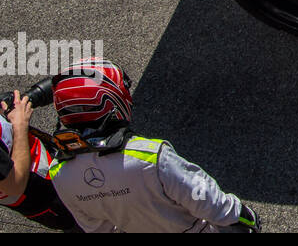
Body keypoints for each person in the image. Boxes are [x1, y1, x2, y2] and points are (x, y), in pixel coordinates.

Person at [41, 59, 262, 233]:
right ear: (111, 102)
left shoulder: (59, 173)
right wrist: (244, 215)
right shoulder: (150, 156)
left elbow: (96, 228)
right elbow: (209, 202)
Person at [1, 89, 78, 231]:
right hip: (39, 192)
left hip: (44, 160)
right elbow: (14, 185)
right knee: (80, 222)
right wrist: (20, 125)